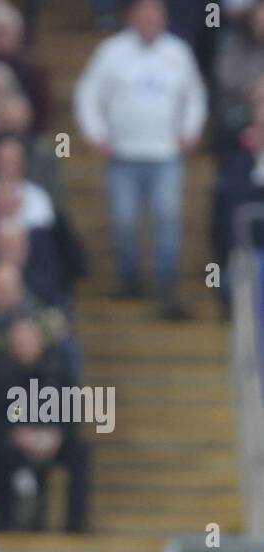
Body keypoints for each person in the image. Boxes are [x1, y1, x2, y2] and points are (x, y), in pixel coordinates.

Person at [73, 0, 207, 318]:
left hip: (166, 156)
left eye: (155, 15)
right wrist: (96, 132)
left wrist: (189, 129)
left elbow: (195, 96)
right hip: (123, 156)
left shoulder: (178, 52)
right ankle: (129, 281)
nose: (149, 20)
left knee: (166, 220)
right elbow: (87, 93)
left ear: (163, 18)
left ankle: (165, 286)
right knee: (123, 222)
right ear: (132, 17)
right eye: (143, 15)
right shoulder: (111, 51)